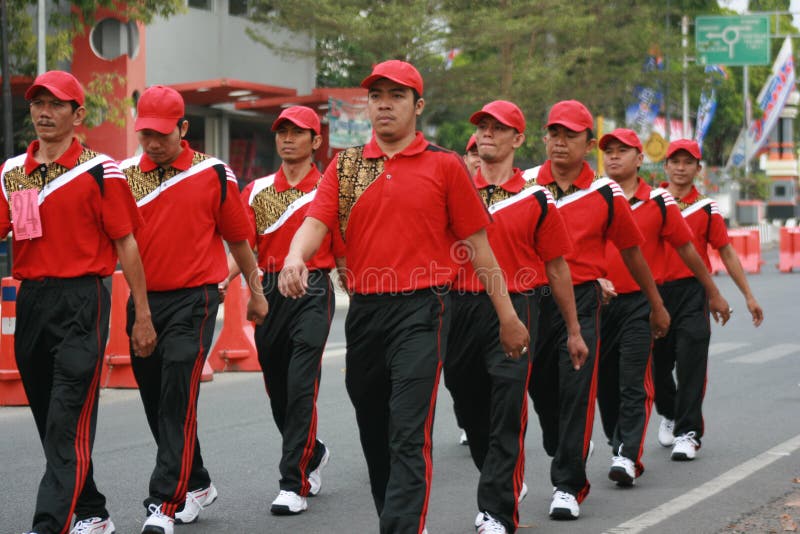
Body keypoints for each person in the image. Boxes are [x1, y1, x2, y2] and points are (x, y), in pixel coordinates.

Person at [278, 60, 529, 534]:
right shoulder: (347, 165)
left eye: (396, 95)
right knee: (374, 429)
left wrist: (508, 316)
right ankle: (397, 518)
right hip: (366, 312)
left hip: (424, 308)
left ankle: (403, 526)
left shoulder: (446, 165)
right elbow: (316, 223)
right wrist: (295, 256)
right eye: (377, 96)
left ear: (418, 105)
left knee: (407, 432)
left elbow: (479, 247)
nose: (385, 104)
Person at [0, 70, 156, 534]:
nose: (44, 113)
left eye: (56, 105)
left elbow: (127, 244)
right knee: (50, 418)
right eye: (37, 105)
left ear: (77, 114)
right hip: (31, 302)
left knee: (66, 418)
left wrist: (142, 315)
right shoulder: (11, 171)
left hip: (82, 301)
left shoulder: (101, 170)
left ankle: (50, 523)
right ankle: (91, 511)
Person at [119, 85, 268, 534]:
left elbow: (238, 240)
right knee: (156, 401)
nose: (153, 142)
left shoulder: (215, 174)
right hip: (143, 302)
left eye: (162, 134)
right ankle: (197, 480)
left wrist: (256, 291)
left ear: (184, 128)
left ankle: (166, 502)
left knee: (177, 396)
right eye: (145, 133)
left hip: (195, 300)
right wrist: (140, 312)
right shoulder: (123, 176)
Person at [443, 100, 587, 534]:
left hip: (518, 309)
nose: (487, 133)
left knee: (507, 404)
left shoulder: (537, 198)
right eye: (482, 127)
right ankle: (503, 477)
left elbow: (558, 267)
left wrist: (574, 330)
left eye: (498, 128)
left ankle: (496, 510)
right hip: (459, 307)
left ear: (518, 139)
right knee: (469, 405)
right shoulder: (453, 191)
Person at [524, 100, 670, 520]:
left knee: (575, 391)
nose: (559, 142)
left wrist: (656, 305)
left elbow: (632, 253)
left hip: (584, 302)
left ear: (588, 144)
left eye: (570, 135)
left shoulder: (606, 194)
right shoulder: (526, 184)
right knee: (540, 389)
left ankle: (567, 485)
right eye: (553, 133)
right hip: (533, 300)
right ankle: (563, 443)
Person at [221, 105, 343, 515]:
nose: (288, 138)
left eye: (298, 132)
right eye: (282, 132)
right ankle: (313, 449)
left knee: (301, 383)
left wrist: (360, 295)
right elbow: (244, 246)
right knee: (278, 389)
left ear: (316, 141)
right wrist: (222, 279)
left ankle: (295, 482)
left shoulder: (329, 188)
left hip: (312, 287)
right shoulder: (256, 191)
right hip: (268, 291)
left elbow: (343, 248)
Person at [596, 129, 731, 486]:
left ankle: (635, 451)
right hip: (599, 304)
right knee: (606, 384)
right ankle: (622, 436)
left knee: (641, 380)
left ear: (640, 159)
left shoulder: (659, 202)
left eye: (621, 151)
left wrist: (714, 292)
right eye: (608, 151)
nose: (613, 157)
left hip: (646, 301)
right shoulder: (592, 198)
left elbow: (689, 249)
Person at [653, 139, 763, 461]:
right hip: (654, 294)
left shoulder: (706, 208)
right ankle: (669, 412)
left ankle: (688, 432)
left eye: (688, 162)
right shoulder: (651, 202)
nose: (681, 167)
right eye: (675, 161)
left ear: (698, 169)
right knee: (656, 366)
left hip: (691, 292)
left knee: (690, 363)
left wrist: (748, 295)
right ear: (666, 166)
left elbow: (725, 251)